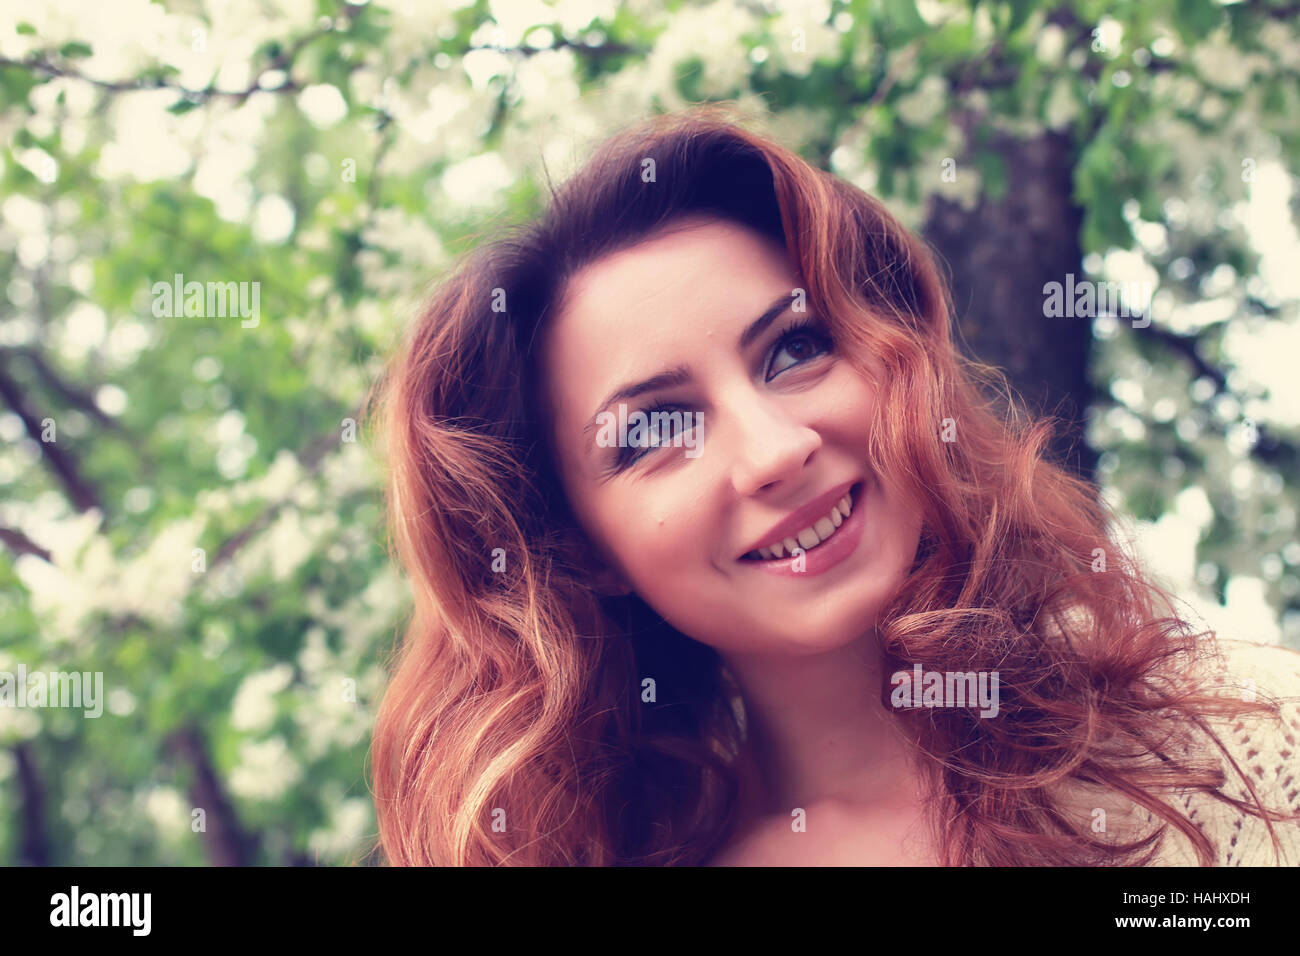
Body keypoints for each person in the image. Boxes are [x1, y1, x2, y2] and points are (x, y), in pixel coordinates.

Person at [369, 102, 1300, 866]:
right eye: (656, 431)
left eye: (796, 349)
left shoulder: (1240, 749)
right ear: (579, 548)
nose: (774, 450)